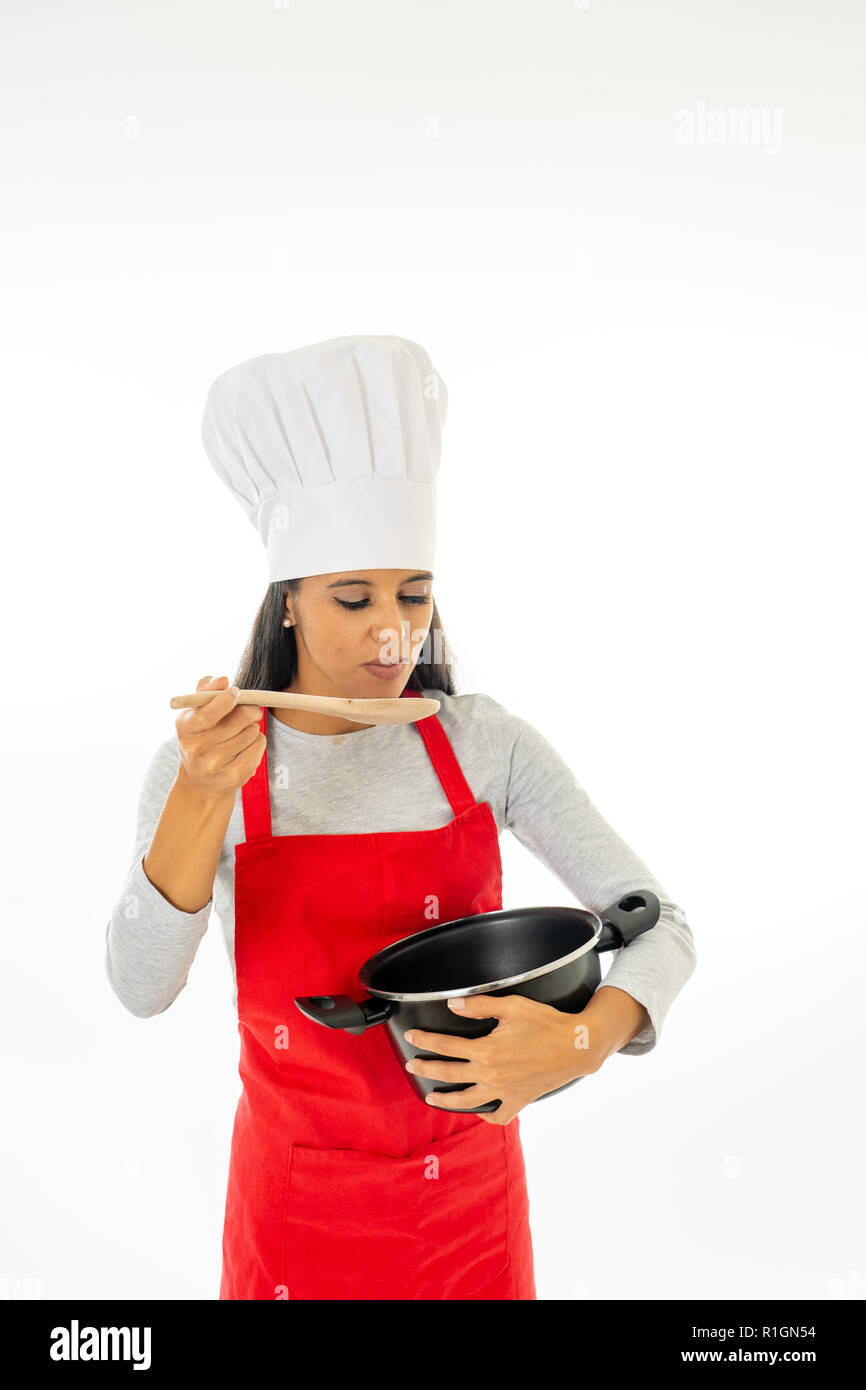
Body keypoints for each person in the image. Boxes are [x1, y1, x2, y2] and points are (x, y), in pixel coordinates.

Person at [105, 334, 697, 1300]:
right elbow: (138, 987)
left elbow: (659, 922)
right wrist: (203, 796)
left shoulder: (480, 742)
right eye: (352, 598)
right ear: (287, 602)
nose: (393, 632)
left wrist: (585, 1038)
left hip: (468, 1207)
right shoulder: (206, 761)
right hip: (293, 1217)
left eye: (413, 595)